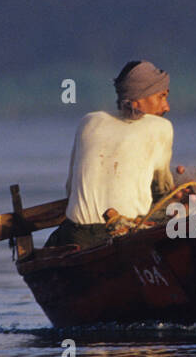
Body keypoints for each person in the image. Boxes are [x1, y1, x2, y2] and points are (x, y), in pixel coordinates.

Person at [47, 60, 175, 249]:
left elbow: (70, 188)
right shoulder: (161, 126)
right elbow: (163, 191)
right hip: (125, 232)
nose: (166, 107)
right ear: (138, 100)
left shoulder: (89, 121)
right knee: (175, 211)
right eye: (161, 96)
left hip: (77, 235)